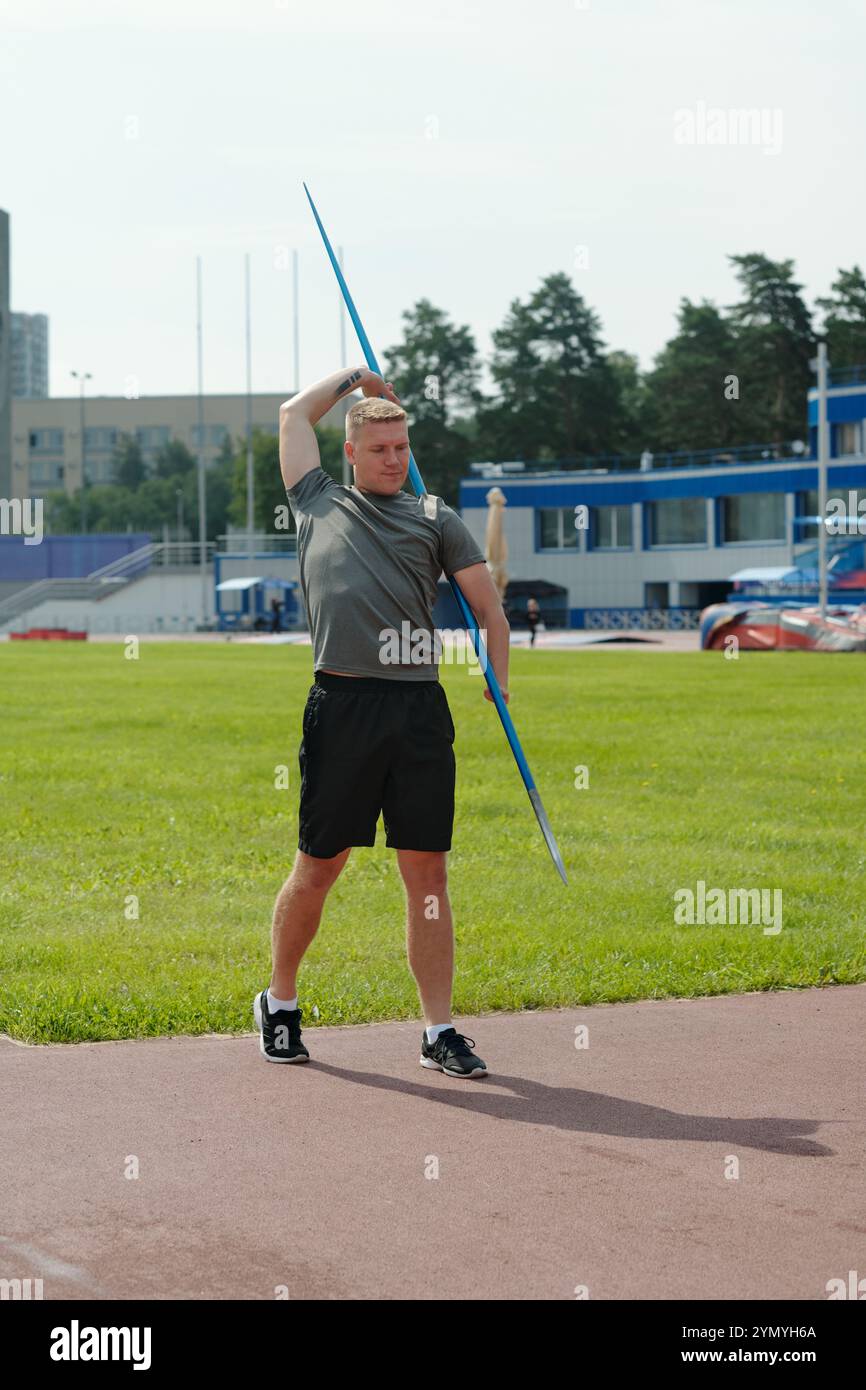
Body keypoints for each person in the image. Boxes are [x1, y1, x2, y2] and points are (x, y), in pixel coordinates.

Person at [253, 366, 510, 1078]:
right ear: (352, 453)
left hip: (419, 708)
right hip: (343, 705)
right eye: (381, 449)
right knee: (319, 867)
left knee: (427, 875)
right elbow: (290, 415)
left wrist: (498, 676)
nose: (394, 459)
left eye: (401, 447)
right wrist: (354, 380)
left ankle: (439, 1030)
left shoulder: (436, 518)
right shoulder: (316, 503)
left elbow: (489, 608)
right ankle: (279, 1004)